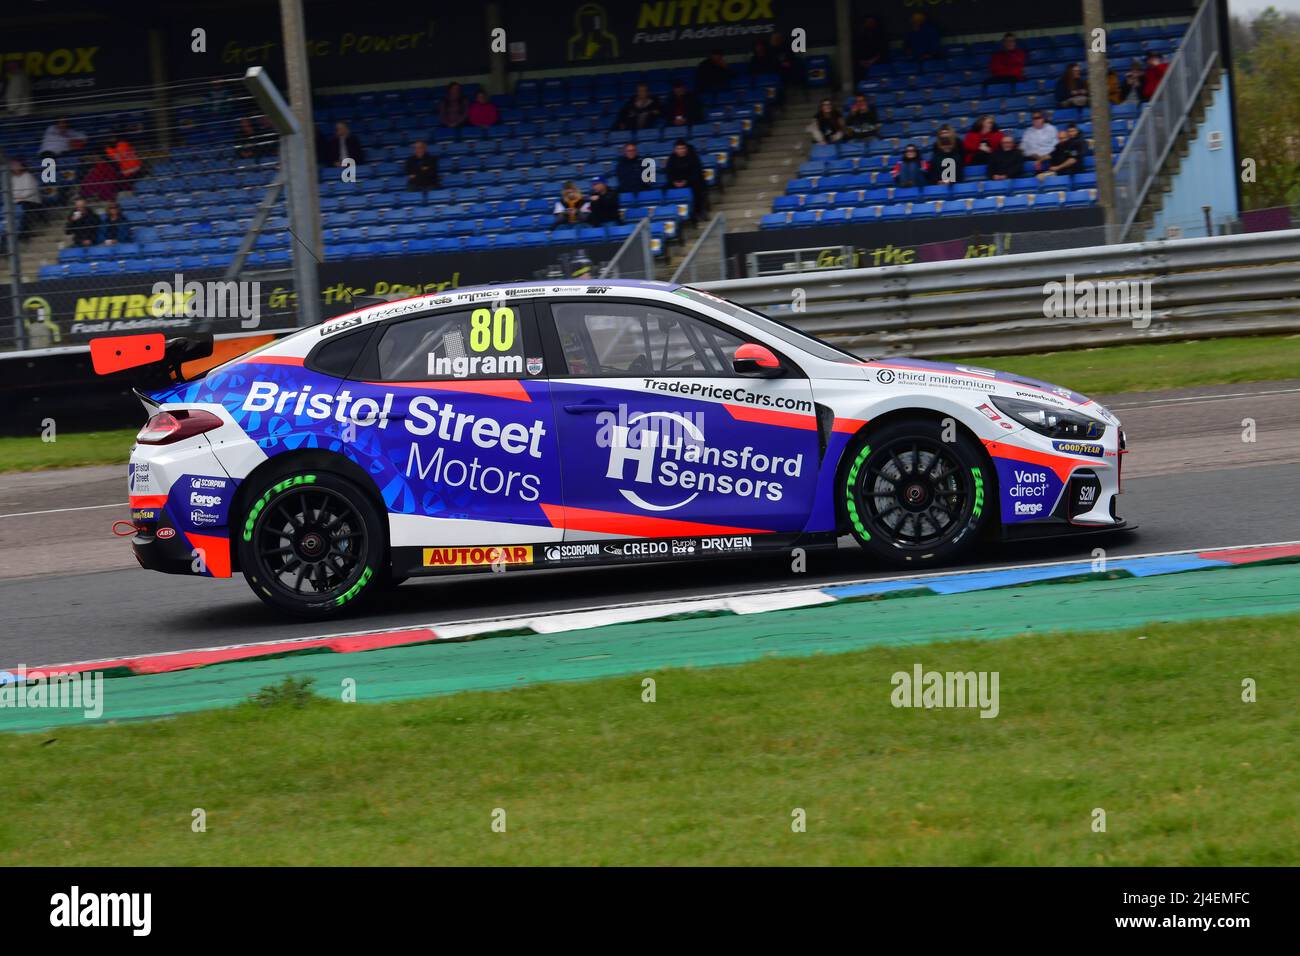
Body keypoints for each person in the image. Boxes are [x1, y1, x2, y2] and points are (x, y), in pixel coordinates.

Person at [665, 139, 708, 222]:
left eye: (683, 148)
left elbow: (696, 173)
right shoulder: (671, 159)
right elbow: (669, 173)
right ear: (675, 150)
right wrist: (674, 182)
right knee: (665, 189)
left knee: (697, 188)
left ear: (686, 149)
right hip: (676, 183)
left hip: (691, 182)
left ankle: (697, 212)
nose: (681, 150)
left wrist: (686, 181)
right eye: (679, 148)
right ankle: (670, 213)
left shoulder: (693, 158)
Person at [8, 159, 41, 235]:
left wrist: (20, 197)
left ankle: (24, 232)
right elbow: (10, 192)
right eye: (13, 165)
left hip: (30, 200)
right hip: (17, 201)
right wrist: (18, 197)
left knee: (24, 207)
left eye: (16, 165)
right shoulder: (12, 179)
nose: (14, 167)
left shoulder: (28, 176)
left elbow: (31, 191)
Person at [853, 16, 890, 83]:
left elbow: (883, 51)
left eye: (871, 22)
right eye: (868, 22)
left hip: (877, 62)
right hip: (862, 63)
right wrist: (861, 61)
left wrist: (872, 61)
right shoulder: (860, 35)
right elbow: (856, 51)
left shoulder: (880, 35)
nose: (870, 24)